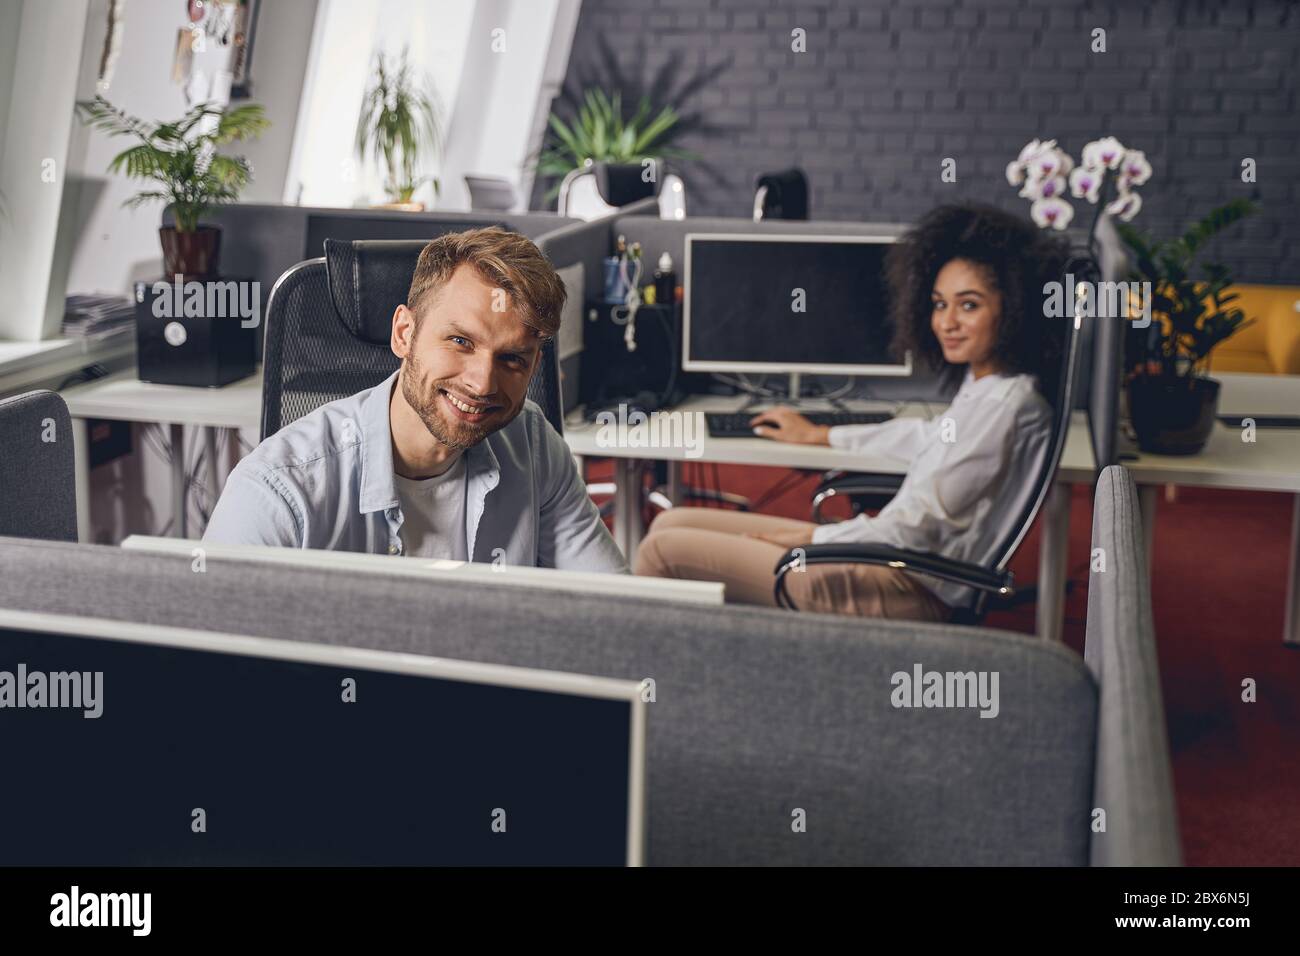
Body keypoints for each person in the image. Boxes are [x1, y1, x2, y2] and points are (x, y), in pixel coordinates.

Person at [634, 203, 1069, 619]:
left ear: (1012, 310)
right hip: (890, 560)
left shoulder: (1004, 407)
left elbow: (919, 526)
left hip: (907, 587)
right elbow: (928, 437)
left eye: (968, 305)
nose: (947, 322)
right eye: (939, 304)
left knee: (660, 551)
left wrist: (810, 537)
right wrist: (822, 434)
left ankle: (644, 680)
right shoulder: (991, 387)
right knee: (672, 519)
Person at [204, 226, 627, 573]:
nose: (482, 384)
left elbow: (615, 611)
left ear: (534, 367)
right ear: (404, 333)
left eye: (512, 359)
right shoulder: (279, 491)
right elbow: (216, 666)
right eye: (460, 341)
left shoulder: (533, 444)